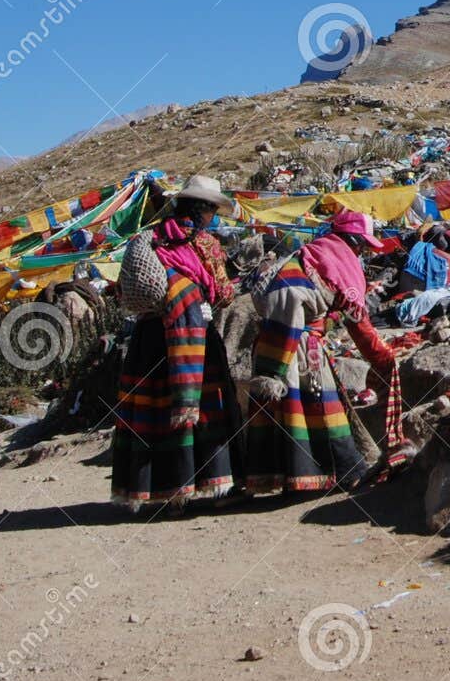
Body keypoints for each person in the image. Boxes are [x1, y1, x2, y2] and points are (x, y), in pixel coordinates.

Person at [243, 210, 403, 494]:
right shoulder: (341, 264)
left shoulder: (307, 256)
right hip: (302, 350)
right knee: (322, 412)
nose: (362, 251)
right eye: (361, 245)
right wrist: (382, 357)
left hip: (273, 343)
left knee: (284, 413)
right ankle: (341, 473)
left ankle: (282, 479)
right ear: (351, 241)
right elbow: (359, 323)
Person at [111, 175, 241, 513]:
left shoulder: (151, 238)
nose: (213, 217)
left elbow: (125, 292)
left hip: (149, 338)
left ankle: (164, 495)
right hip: (193, 337)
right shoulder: (205, 243)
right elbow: (222, 294)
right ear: (202, 210)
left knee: (154, 410)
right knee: (205, 407)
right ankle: (215, 487)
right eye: (212, 210)